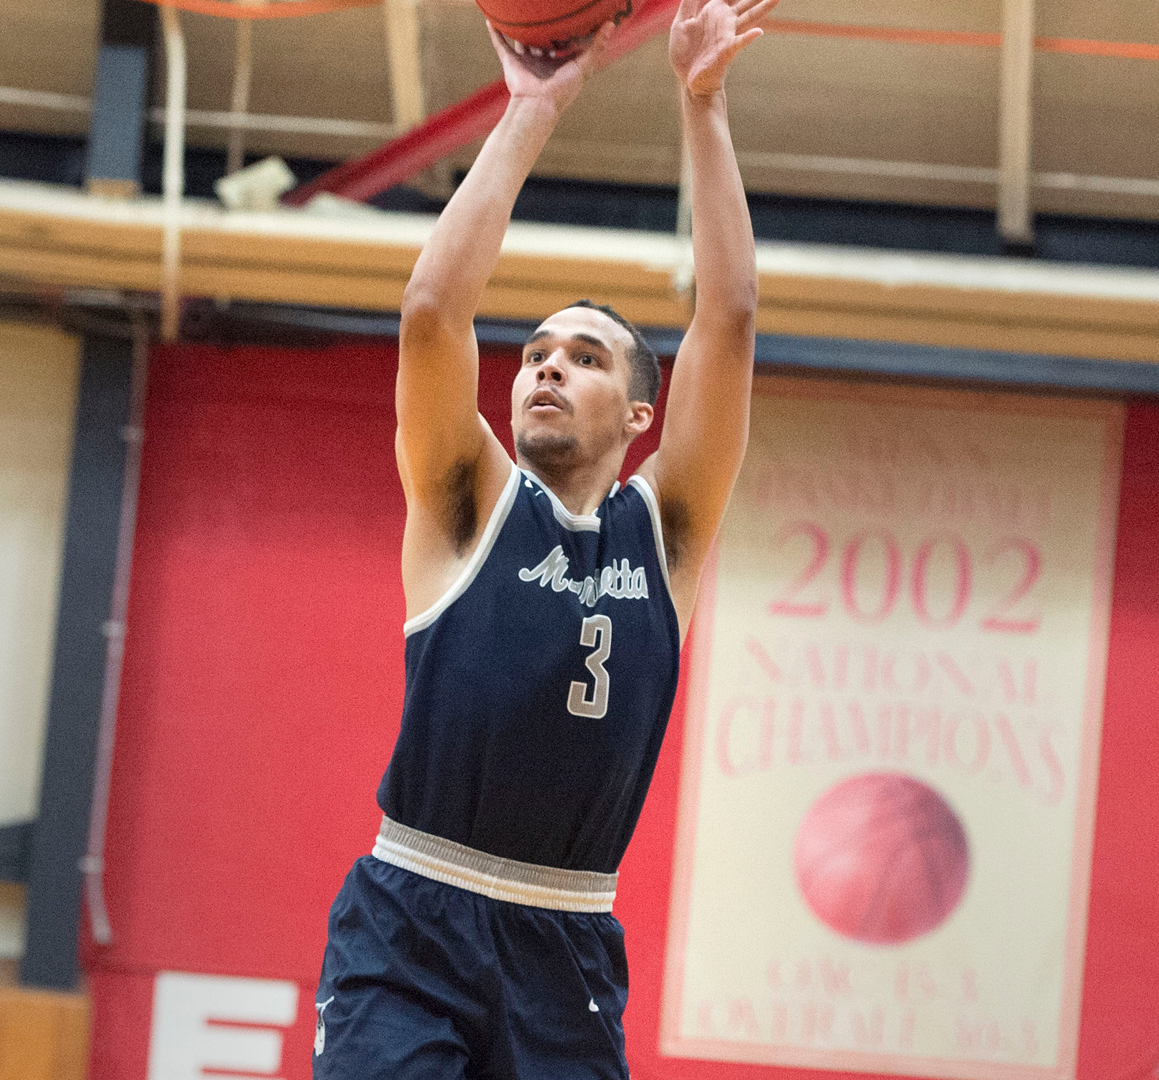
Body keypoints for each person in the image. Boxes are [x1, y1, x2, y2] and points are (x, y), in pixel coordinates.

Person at [312, 0, 771, 1073]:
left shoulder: (670, 529)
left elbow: (733, 315)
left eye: (588, 358)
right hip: (412, 919)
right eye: (535, 354)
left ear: (641, 416)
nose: (548, 367)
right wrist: (532, 108)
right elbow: (432, 311)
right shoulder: (468, 498)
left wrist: (700, 104)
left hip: (564, 942)